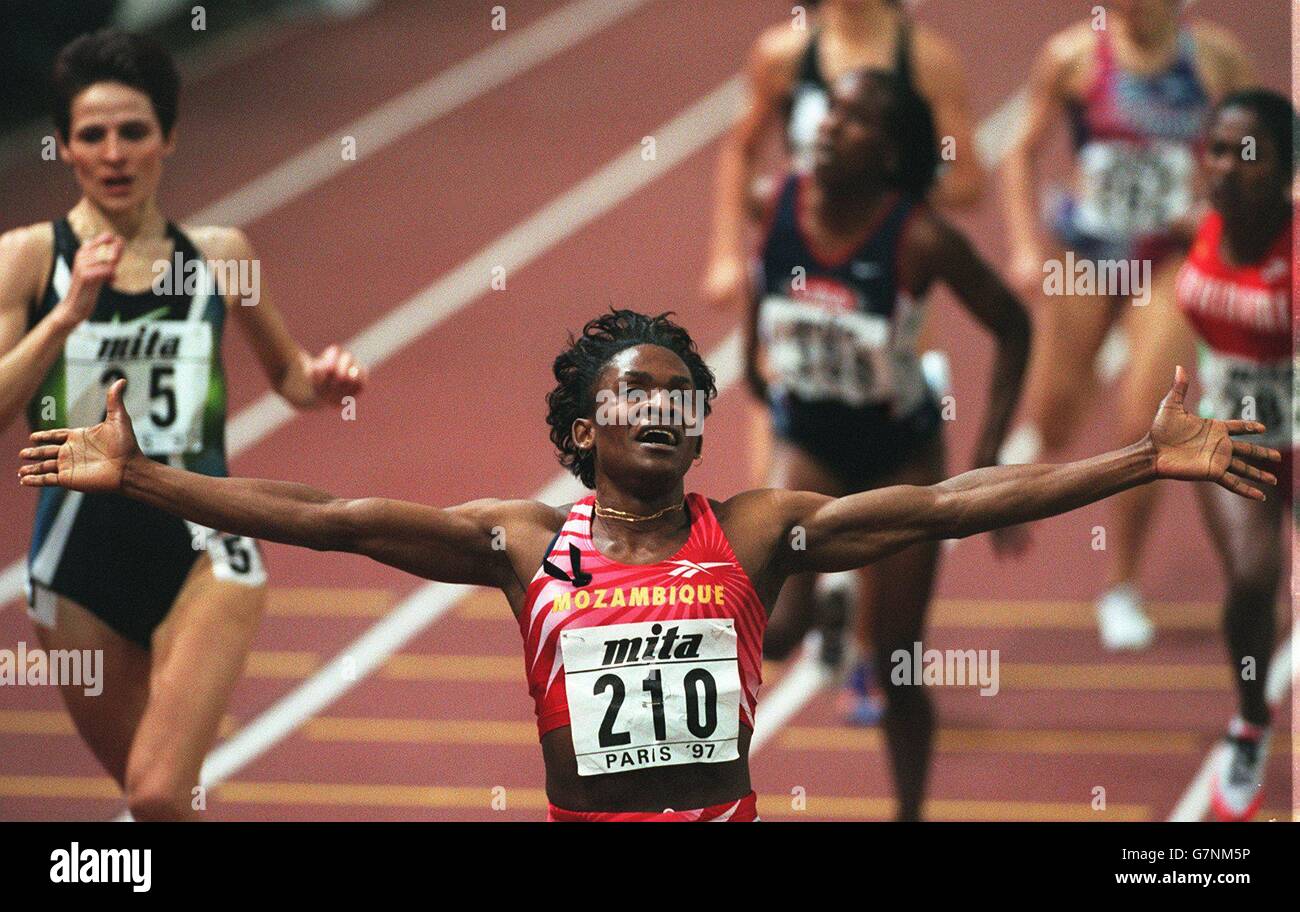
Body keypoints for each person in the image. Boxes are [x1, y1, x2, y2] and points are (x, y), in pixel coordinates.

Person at [17, 309, 1278, 822]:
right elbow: (331, 513)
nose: (667, 416)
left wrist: (1132, 464)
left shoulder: (764, 526)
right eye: (637, 399)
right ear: (580, 432)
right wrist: (142, 478)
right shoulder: (521, 544)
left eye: (685, 398)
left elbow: (948, 501)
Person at [0, 29, 366, 820]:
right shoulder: (30, 257)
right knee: (160, 803)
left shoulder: (219, 255)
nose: (115, 153)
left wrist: (325, 380)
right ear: (62, 147)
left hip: (204, 535)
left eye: (134, 131)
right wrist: (65, 318)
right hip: (76, 553)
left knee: (159, 792)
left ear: (167, 137)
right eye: (92, 135)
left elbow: (290, 376)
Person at [746, 67, 1029, 812]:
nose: (832, 125)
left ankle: (909, 813)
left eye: (858, 119)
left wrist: (990, 453)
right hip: (810, 439)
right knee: (773, 633)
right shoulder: (773, 202)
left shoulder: (921, 239)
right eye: (831, 110)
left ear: (893, 155)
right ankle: (826, 607)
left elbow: (1013, 324)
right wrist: (752, 355)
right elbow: (764, 274)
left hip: (899, 449)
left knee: (899, 663)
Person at [998, 0, 1255, 650]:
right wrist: (1027, 247)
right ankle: (1069, 394)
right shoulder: (1073, 57)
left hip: (1170, 259)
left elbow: (1261, 151)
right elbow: (1019, 154)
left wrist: (1217, 210)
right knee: (1054, 419)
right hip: (1088, 251)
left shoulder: (1216, 59)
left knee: (1148, 414)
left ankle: (1121, 585)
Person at [703, 0, 984, 492]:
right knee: (776, 486)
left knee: (887, 467)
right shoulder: (783, 53)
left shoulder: (927, 60)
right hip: (797, 271)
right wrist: (725, 253)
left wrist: (879, 190)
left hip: (889, 277)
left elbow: (968, 180)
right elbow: (738, 150)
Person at [1174, 90, 1296, 821]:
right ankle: (1251, 722)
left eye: (1247, 153)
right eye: (1217, 149)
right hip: (1233, 432)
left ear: (1287, 169)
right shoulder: (1200, 228)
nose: (1225, 166)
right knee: (1252, 579)